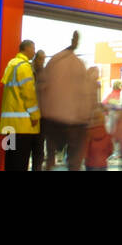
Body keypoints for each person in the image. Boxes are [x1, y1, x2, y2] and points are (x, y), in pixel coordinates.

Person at [41, 31, 90, 170]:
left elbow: (43, 89)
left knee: (49, 155)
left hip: (49, 119)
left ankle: (50, 164)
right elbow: (85, 93)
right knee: (73, 159)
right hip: (73, 121)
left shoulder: (54, 62)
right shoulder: (78, 65)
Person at [0, 40, 41, 171]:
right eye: (33, 49)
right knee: (19, 162)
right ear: (26, 49)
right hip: (22, 127)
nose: (34, 52)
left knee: (9, 159)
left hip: (9, 125)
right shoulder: (24, 67)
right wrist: (35, 115)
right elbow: (28, 94)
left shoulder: (11, 64)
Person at [30, 50, 46, 171]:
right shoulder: (28, 71)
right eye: (40, 58)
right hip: (28, 116)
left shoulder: (45, 74)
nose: (42, 61)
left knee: (39, 149)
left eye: (43, 59)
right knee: (20, 149)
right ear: (35, 59)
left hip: (41, 116)